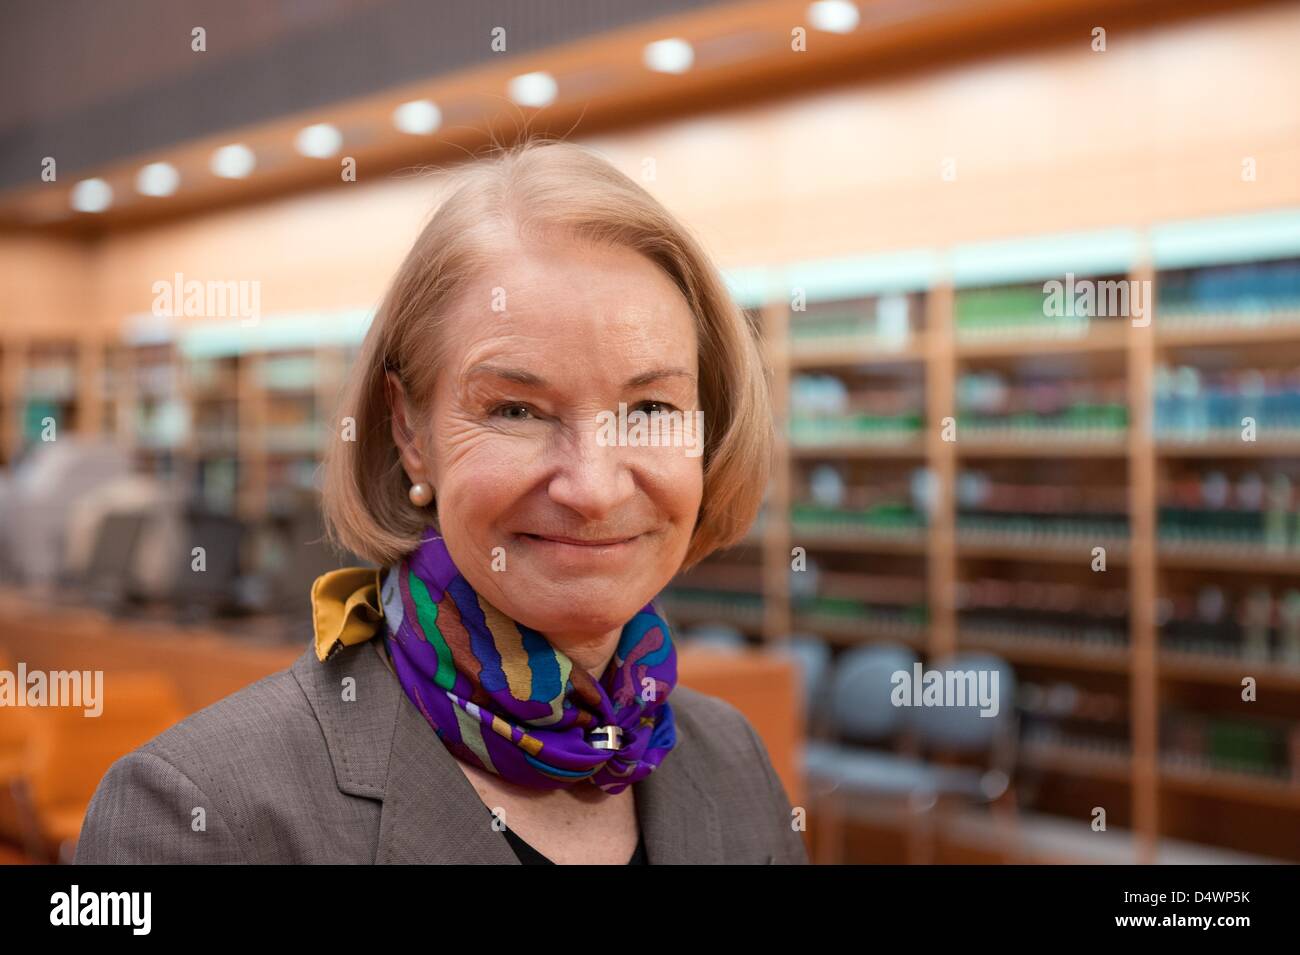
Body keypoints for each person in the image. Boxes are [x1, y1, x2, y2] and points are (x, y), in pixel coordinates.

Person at [74, 138, 808, 864]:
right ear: (409, 430)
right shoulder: (197, 814)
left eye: (649, 409)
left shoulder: (735, 763)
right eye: (516, 410)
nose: (593, 487)